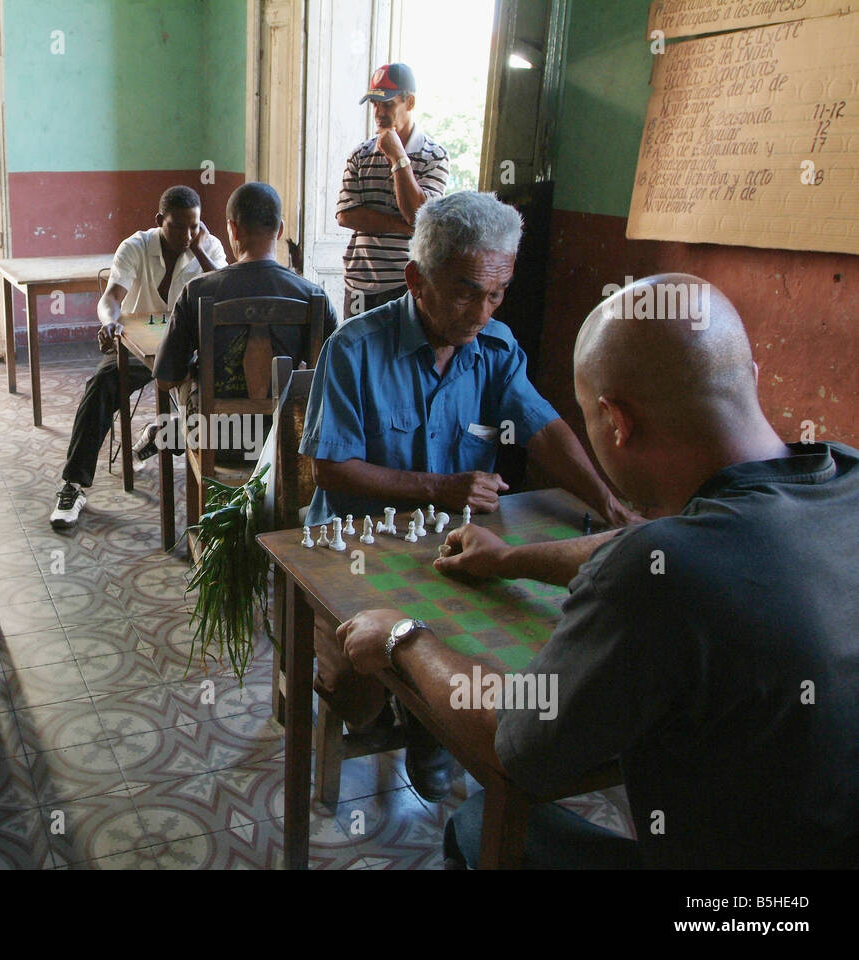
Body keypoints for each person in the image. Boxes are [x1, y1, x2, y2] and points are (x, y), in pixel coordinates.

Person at [338, 274, 859, 868]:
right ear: (751, 378)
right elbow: (652, 547)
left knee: (482, 822)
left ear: (616, 421)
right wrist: (507, 559)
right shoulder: (841, 475)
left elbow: (512, 744)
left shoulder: (663, 572)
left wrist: (405, 638)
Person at [300, 191, 638, 803]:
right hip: (358, 552)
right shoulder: (351, 350)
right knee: (355, 682)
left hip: (460, 549)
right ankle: (393, 712)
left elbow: (544, 429)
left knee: (513, 640)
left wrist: (610, 501)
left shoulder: (497, 349)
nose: (482, 312)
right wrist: (441, 486)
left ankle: (437, 730)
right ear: (415, 279)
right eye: (465, 292)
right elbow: (330, 469)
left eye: (497, 293)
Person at [51, 186, 227, 530]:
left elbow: (222, 288)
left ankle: (165, 434)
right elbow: (110, 298)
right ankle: (73, 485)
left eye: (194, 226)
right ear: (160, 220)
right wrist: (111, 323)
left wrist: (202, 250)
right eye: (178, 226)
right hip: (136, 348)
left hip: (186, 351)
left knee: (217, 394)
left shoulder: (209, 247)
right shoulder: (135, 246)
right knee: (100, 386)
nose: (187, 235)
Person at [153, 181, 337, 451]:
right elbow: (333, 378)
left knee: (186, 385)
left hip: (216, 440)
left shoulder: (196, 291)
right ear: (280, 229)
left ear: (233, 229)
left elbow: (165, 379)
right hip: (289, 438)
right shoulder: (313, 295)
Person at [337, 63, 449, 321]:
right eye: (375, 104)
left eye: (387, 104)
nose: (379, 112)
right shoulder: (361, 154)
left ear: (409, 102)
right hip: (358, 285)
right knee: (357, 358)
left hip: (405, 284)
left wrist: (398, 156)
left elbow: (419, 215)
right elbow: (346, 215)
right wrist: (403, 227)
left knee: (399, 358)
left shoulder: (434, 156)